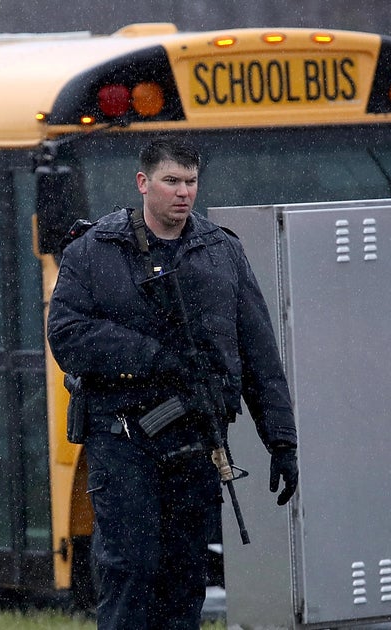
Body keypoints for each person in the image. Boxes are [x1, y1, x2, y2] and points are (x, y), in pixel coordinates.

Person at [46, 137, 299, 629]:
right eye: (171, 181)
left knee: (184, 576)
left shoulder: (220, 250)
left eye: (190, 182)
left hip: (198, 439)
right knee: (130, 569)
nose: (183, 193)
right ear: (144, 183)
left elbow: (259, 355)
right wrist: (155, 359)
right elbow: (68, 337)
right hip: (124, 436)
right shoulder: (95, 250)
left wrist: (282, 441)